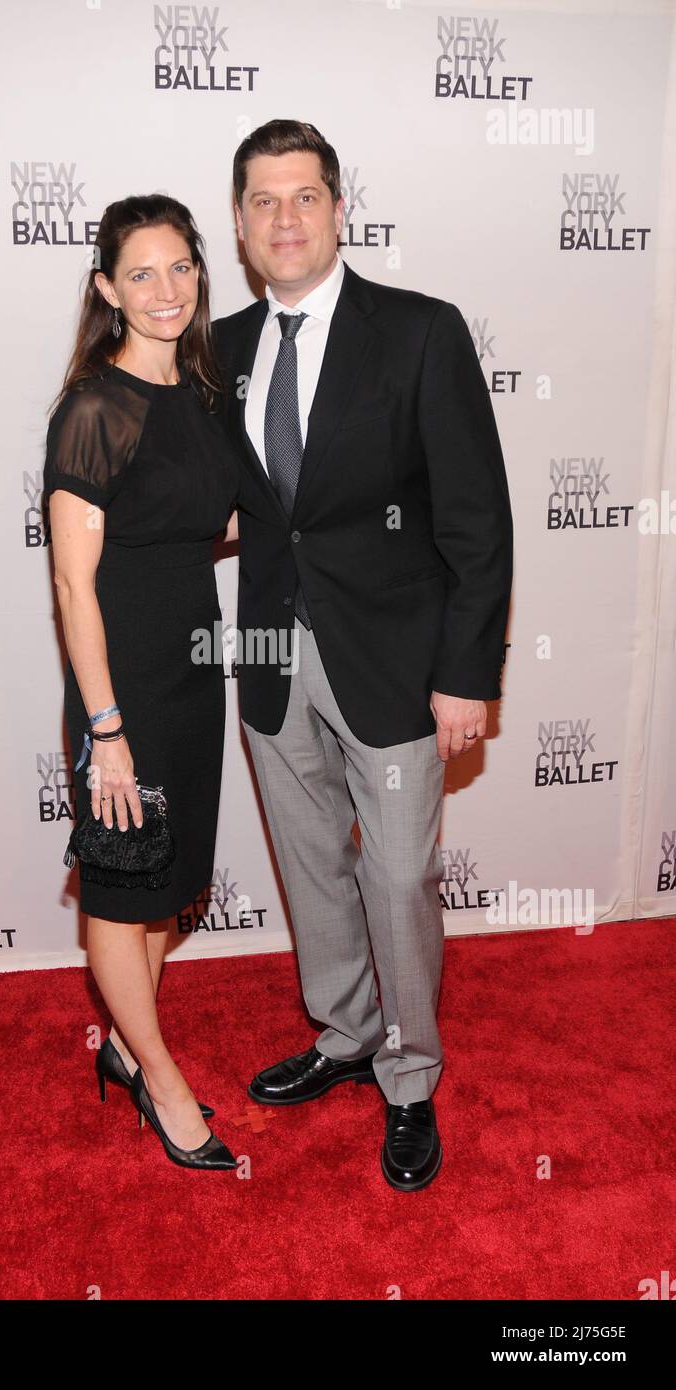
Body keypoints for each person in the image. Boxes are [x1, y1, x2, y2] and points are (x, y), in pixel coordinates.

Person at [212, 120, 513, 1191]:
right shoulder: (221, 349)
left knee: (396, 877)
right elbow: (222, 507)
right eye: (262, 200)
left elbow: (476, 519)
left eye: (304, 196)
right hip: (266, 651)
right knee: (311, 869)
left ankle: (408, 1074)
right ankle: (341, 1036)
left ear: (339, 209)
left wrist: (466, 673)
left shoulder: (419, 333)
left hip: (396, 660)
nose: (284, 218)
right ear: (240, 225)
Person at [44, 195, 240, 1172]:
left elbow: (207, 525)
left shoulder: (201, 397)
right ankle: (159, 1078)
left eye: (179, 267)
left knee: (163, 886)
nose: (164, 289)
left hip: (193, 679)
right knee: (122, 898)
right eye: (140, 273)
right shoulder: (94, 409)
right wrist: (106, 727)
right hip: (119, 692)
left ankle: (125, 1044)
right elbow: (73, 585)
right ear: (105, 289)